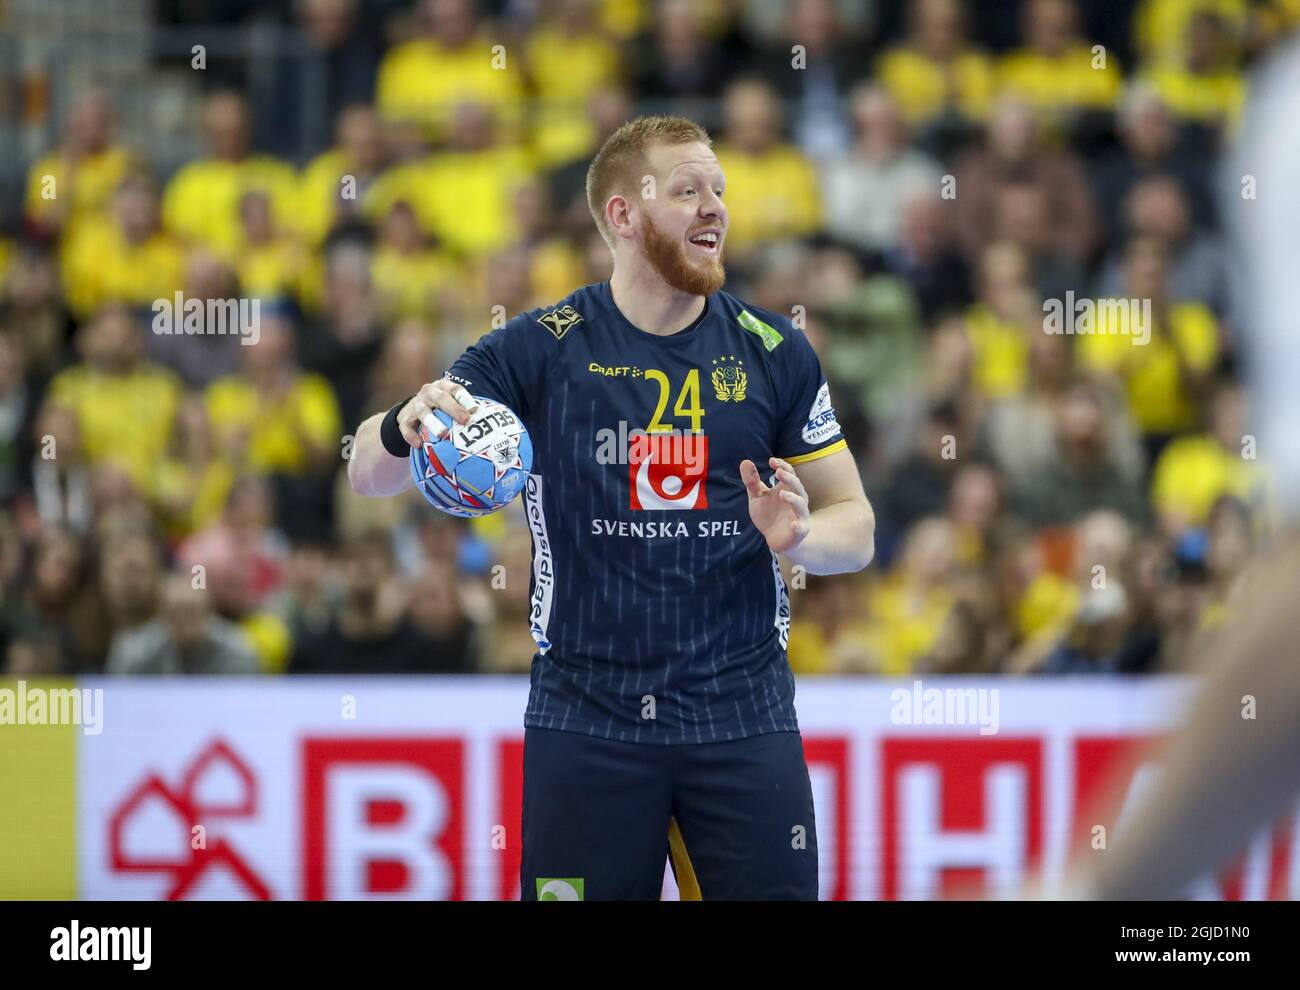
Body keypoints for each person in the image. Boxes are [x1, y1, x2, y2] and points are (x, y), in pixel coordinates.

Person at [348, 116, 876, 900]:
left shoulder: (774, 350)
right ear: (623, 216)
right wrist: (401, 423)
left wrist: (800, 537)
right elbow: (368, 472)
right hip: (587, 716)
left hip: (740, 712)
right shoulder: (537, 349)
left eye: (720, 191)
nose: (715, 209)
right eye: (688, 190)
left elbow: (856, 528)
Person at [1054, 38, 1300, 901]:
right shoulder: (1284, 118)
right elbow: (1095, 397)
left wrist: (1097, 891)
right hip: (1139, 459)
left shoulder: (1287, 120)